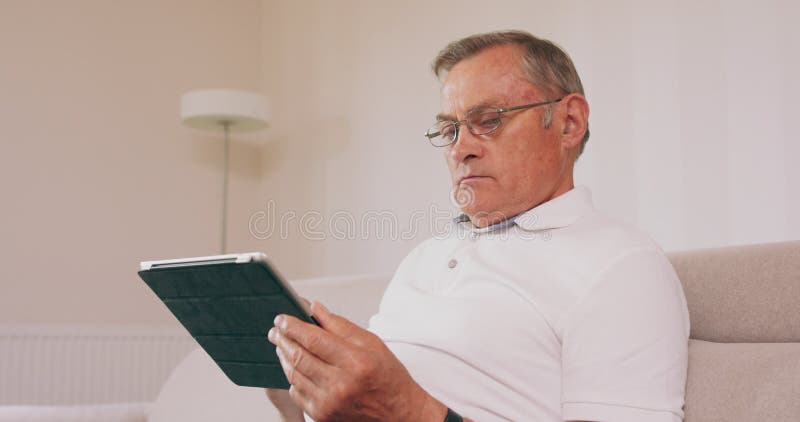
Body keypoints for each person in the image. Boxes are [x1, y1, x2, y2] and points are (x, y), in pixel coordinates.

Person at [265, 30, 690, 422]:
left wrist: (411, 410)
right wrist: (303, 379)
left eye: (489, 121)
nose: (459, 149)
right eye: (449, 129)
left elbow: (399, 407)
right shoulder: (426, 255)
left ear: (569, 122)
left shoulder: (620, 266)